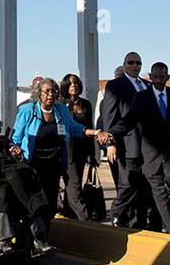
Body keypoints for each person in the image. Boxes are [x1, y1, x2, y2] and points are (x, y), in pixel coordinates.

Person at [11, 77, 109, 236]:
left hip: (54, 163)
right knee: (36, 203)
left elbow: (75, 128)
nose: (51, 94)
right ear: (39, 93)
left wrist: (96, 132)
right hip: (33, 164)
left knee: (50, 204)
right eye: (47, 91)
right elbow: (15, 138)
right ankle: (33, 238)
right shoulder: (28, 110)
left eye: (54, 91)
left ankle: (45, 238)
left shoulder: (61, 110)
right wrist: (15, 149)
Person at [0, 112, 54, 256]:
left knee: (28, 193)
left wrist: (16, 152)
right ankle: (3, 241)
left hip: (9, 178)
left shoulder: (3, 142)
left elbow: (15, 160)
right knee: (2, 193)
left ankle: (38, 238)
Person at [136, 62, 170, 234]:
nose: (159, 80)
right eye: (155, 77)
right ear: (150, 77)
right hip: (151, 153)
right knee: (159, 192)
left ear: (168, 77)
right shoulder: (142, 98)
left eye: (162, 77)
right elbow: (130, 121)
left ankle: (169, 224)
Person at [100, 51, 150, 228]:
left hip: (148, 146)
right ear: (124, 64)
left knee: (143, 187)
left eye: (138, 63)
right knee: (127, 183)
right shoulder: (115, 85)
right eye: (131, 63)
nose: (135, 66)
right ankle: (117, 215)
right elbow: (109, 116)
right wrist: (110, 144)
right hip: (127, 144)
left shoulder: (146, 85)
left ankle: (138, 223)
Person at [59, 73, 96, 221]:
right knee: (74, 185)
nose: (74, 85)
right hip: (67, 150)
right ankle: (84, 217)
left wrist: (93, 154)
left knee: (74, 183)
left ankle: (70, 215)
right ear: (66, 86)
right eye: (70, 83)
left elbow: (90, 127)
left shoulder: (86, 104)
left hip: (82, 149)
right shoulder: (61, 104)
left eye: (76, 83)